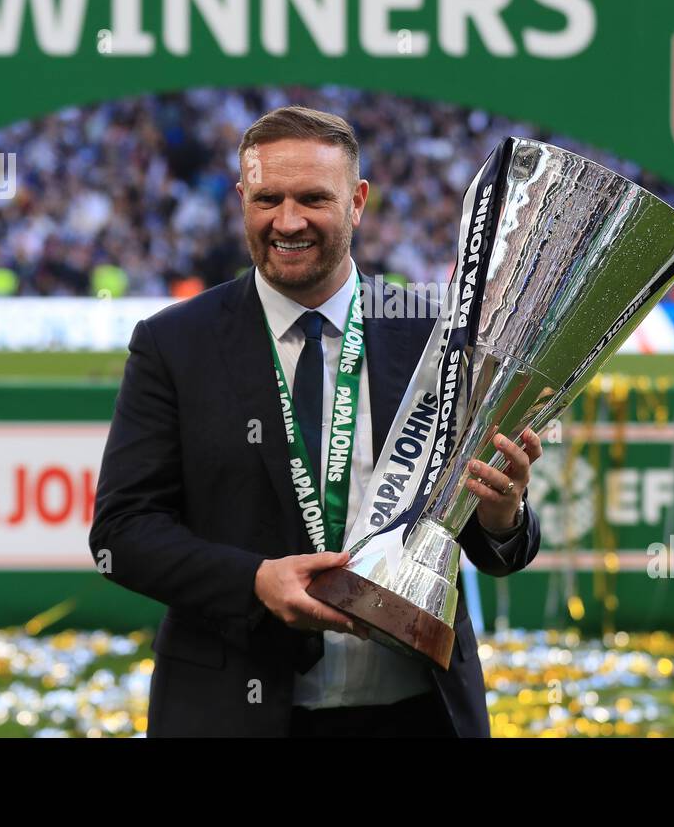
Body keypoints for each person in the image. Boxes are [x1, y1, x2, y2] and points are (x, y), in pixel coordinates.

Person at [90, 105, 542, 737]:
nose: (288, 221)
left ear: (357, 202)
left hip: (419, 716)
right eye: (267, 198)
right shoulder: (175, 344)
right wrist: (253, 581)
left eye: (313, 198)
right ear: (242, 197)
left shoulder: (436, 338)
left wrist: (501, 517)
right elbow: (123, 532)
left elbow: (491, 545)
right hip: (237, 714)